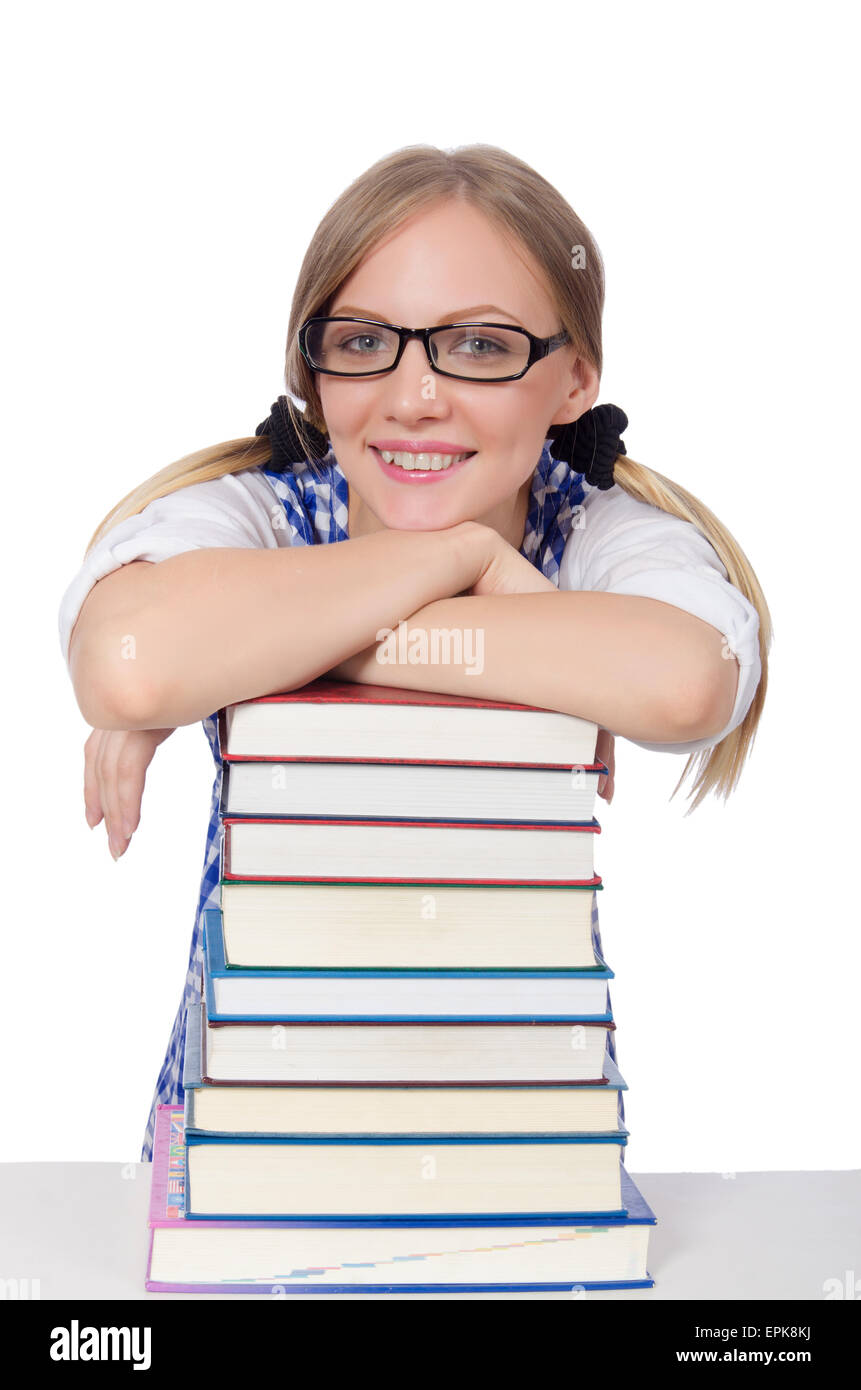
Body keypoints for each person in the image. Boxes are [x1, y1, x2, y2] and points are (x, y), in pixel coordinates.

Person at [59, 144, 772, 1162]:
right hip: (256, 1140)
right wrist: (464, 557)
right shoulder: (256, 509)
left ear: (574, 378)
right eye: (364, 342)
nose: (415, 396)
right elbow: (128, 659)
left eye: (479, 347)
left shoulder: (608, 534)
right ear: (312, 369)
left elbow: (687, 678)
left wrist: (261, 650)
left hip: (515, 1132)